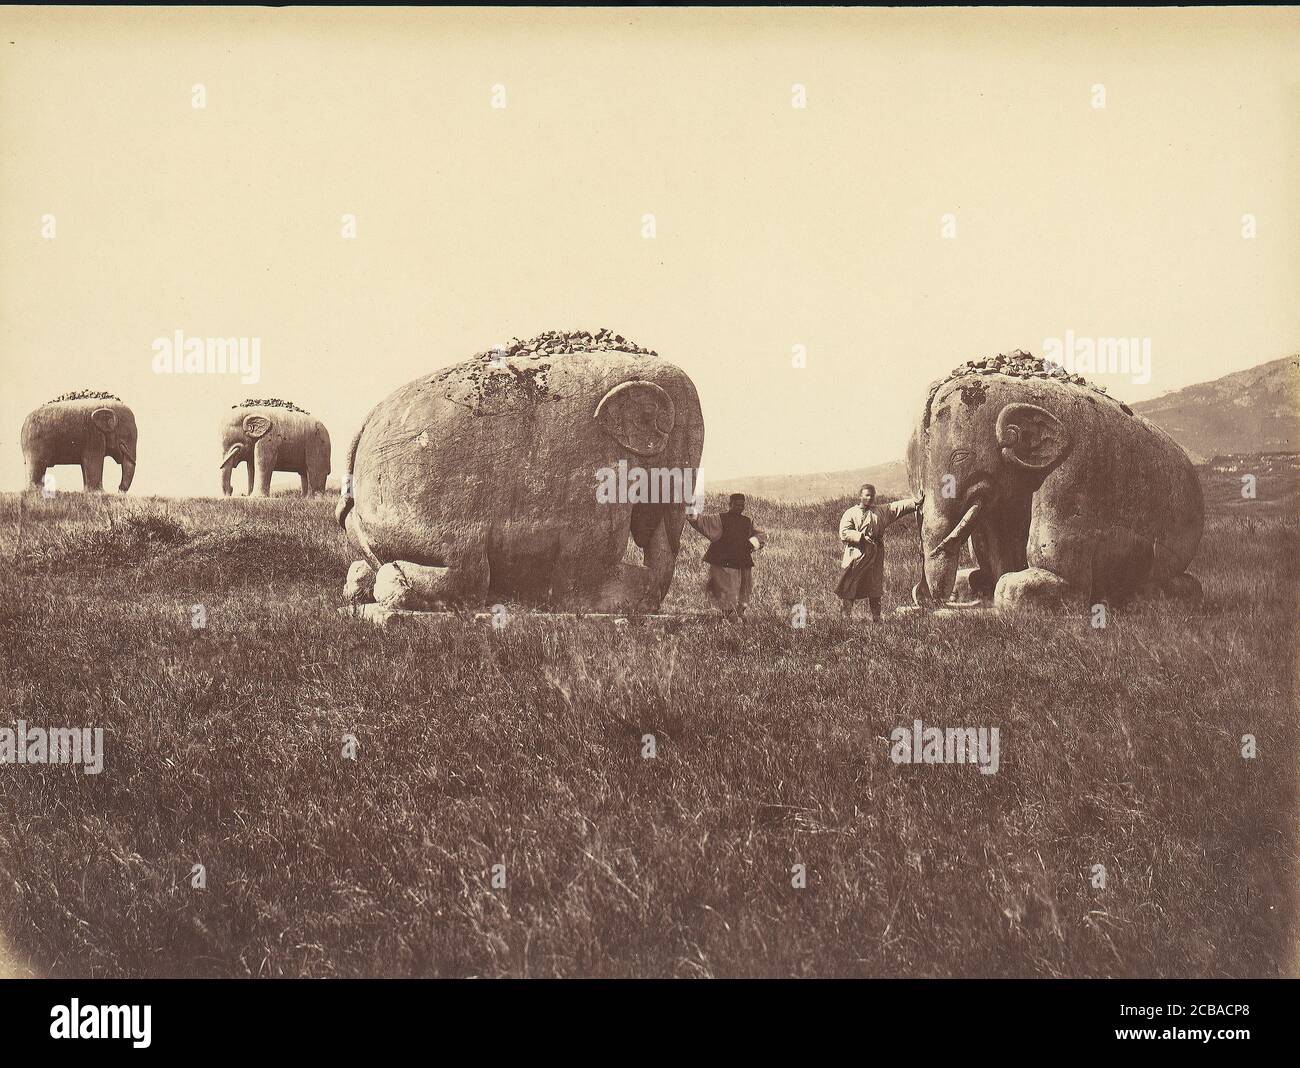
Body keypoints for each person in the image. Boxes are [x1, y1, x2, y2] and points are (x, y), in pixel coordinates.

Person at [836, 483, 923, 621]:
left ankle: (876, 618)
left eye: (872, 495)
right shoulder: (851, 513)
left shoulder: (881, 511)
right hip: (856, 554)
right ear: (860, 496)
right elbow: (844, 532)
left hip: (875, 554)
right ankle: (845, 618)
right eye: (867, 495)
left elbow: (896, 507)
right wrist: (861, 537)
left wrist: (915, 502)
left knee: (875, 586)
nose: (870, 498)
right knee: (849, 585)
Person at [686, 493, 767, 622]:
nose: (740, 508)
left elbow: (760, 535)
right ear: (730, 504)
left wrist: (752, 543)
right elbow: (700, 521)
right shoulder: (720, 519)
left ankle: (738, 614)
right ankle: (728, 615)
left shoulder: (747, 521)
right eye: (737, 505)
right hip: (724, 562)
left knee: (743, 589)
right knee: (726, 589)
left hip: (742, 561)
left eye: (742, 505)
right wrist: (690, 507)